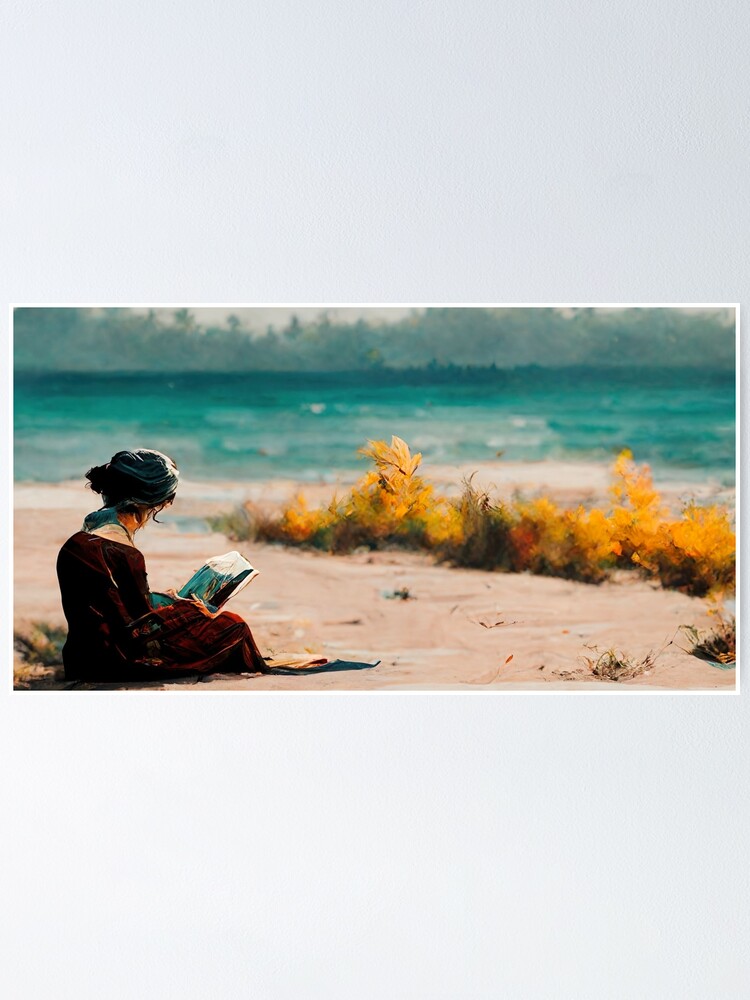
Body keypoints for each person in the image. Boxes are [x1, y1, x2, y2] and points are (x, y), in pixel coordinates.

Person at [56, 448, 268, 682]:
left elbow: (113, 603)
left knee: (198, 614)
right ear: (155, 503)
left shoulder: (76, 542)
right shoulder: (123, 551)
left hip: (80, 657)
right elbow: (140, 631)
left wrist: (166, 603)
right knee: (233, 625)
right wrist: (187, 609)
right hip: (115, 662)